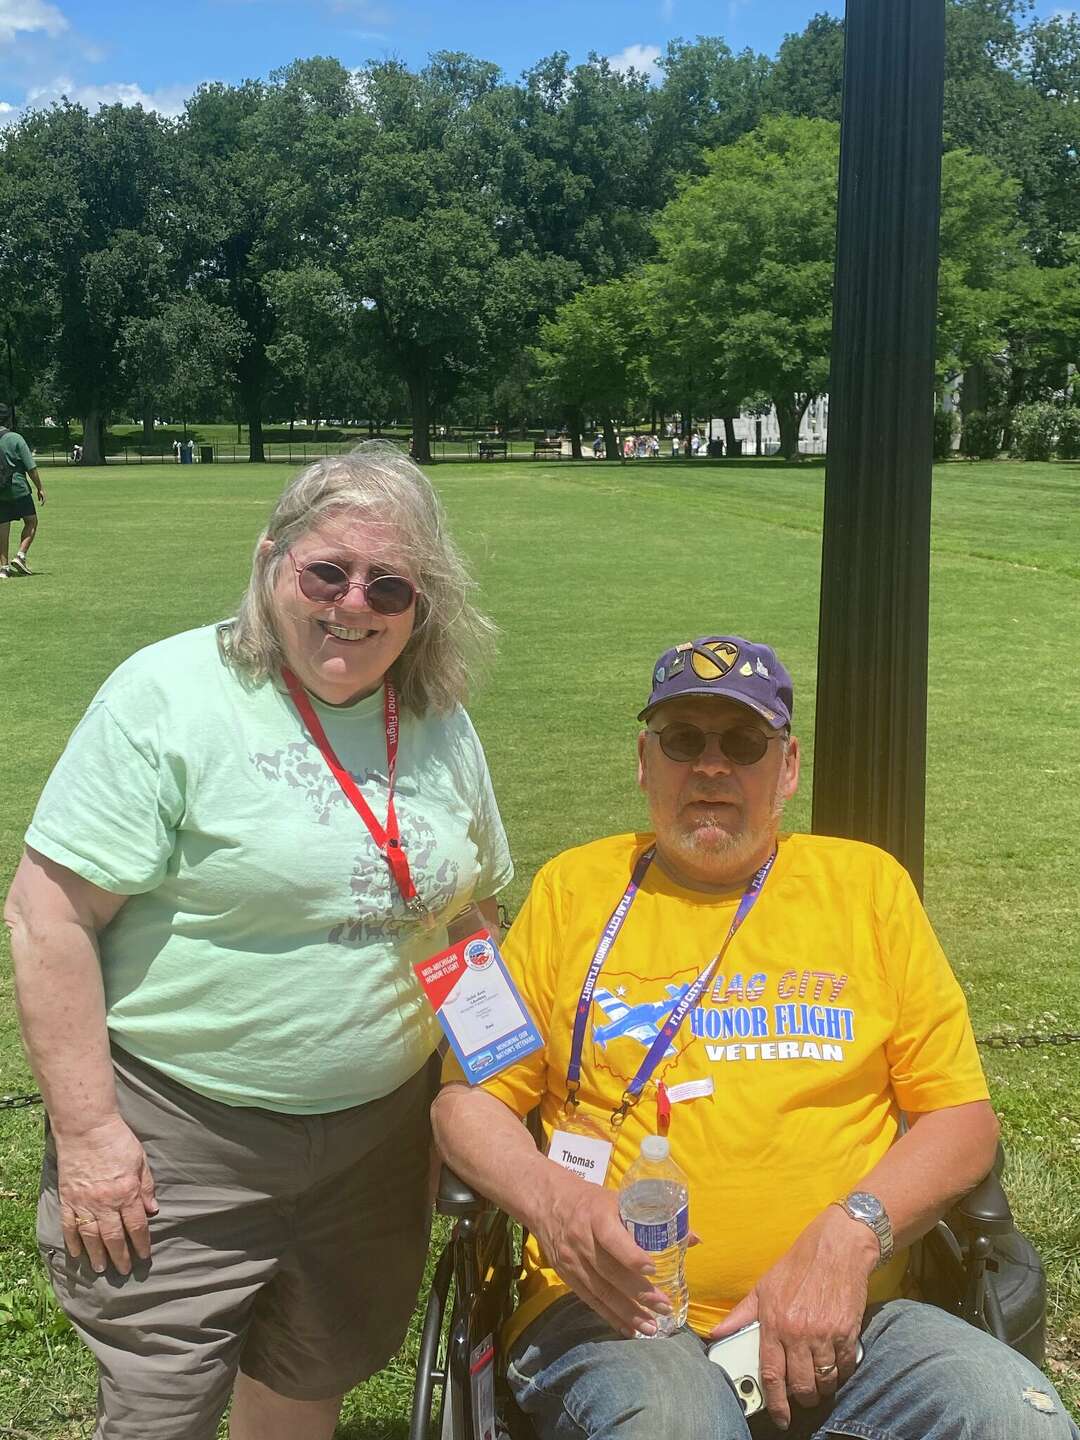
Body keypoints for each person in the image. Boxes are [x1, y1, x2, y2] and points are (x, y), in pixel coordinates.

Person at [433, 634, 1077, 1440]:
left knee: (1017, 1420)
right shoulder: (573, 888)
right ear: (644, 761)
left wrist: (849, 1240)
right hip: (612, 1316)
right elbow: (465, 1101)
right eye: (682, 741)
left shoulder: (868, 890)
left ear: (789, 767)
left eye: (742, 743)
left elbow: (962, 1121)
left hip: (851, 1313)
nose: (710, 767)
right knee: (676, 1426)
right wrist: (553, 1204)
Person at [5, 444, 514, 1440]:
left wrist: (490, 1089)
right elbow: (46, 915)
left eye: (390, 583)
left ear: (425, 604)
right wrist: (89, 1133)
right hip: (183, 1133)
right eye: (327, 570)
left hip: (377, 1136)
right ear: (272, 558)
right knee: (164, 1402)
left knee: (309, 1368)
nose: (353, 602)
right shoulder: (169, 695)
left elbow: (465, 916)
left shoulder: (441, 720)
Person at [0, 403, 46, 578]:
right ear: (8, 418)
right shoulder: (15, 438)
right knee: (31, 521)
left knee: (2, 528)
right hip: (18, 488)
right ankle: (20, 555)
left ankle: (3, 569)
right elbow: (31, 467)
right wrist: (40, 488)